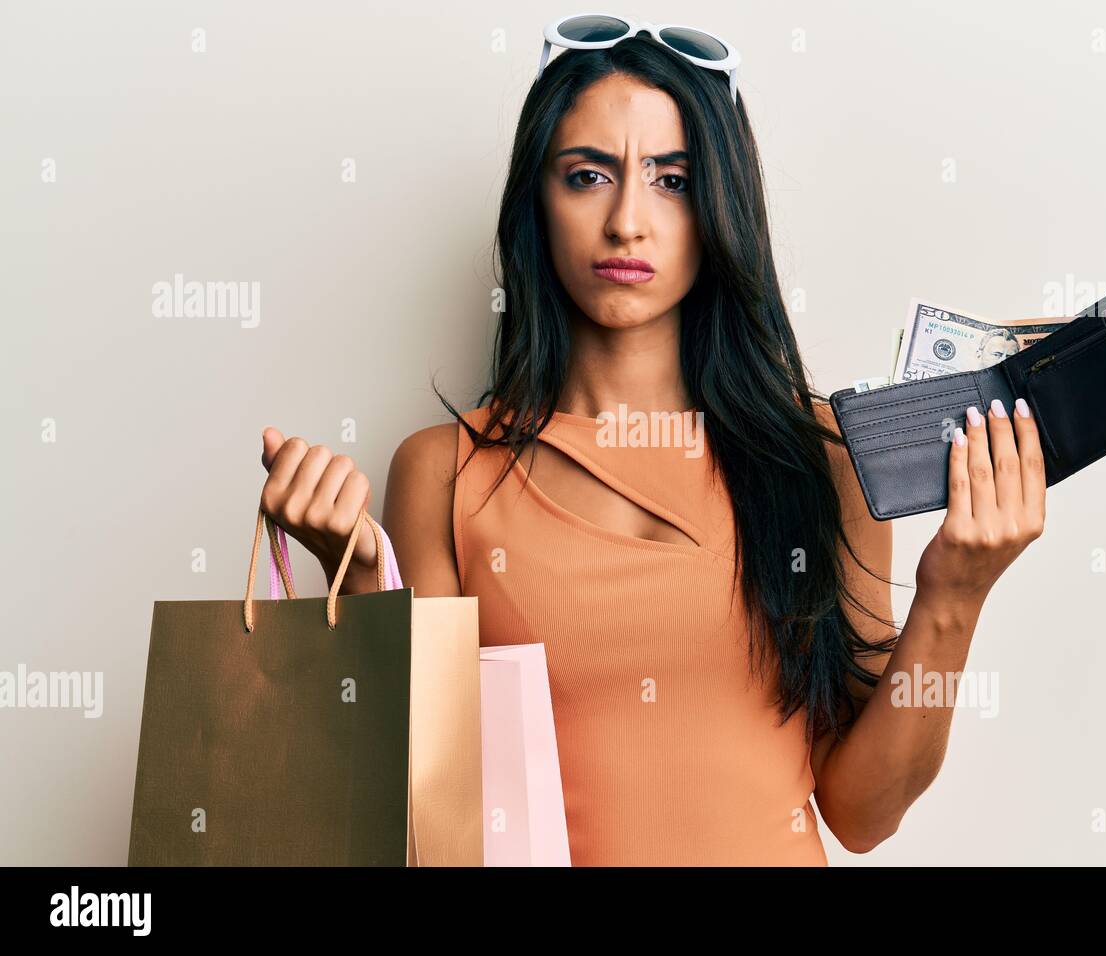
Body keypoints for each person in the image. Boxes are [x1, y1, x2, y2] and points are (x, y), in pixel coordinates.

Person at [257, 26, 1046, 866]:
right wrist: (365, 580)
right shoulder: (443, 471)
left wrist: (954, 594)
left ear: (720, 207)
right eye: (588, 176)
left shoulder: (823, 456)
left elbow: (861, 814)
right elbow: (435, 809)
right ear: (539, 200)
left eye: (672, 181)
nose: (627, 221)